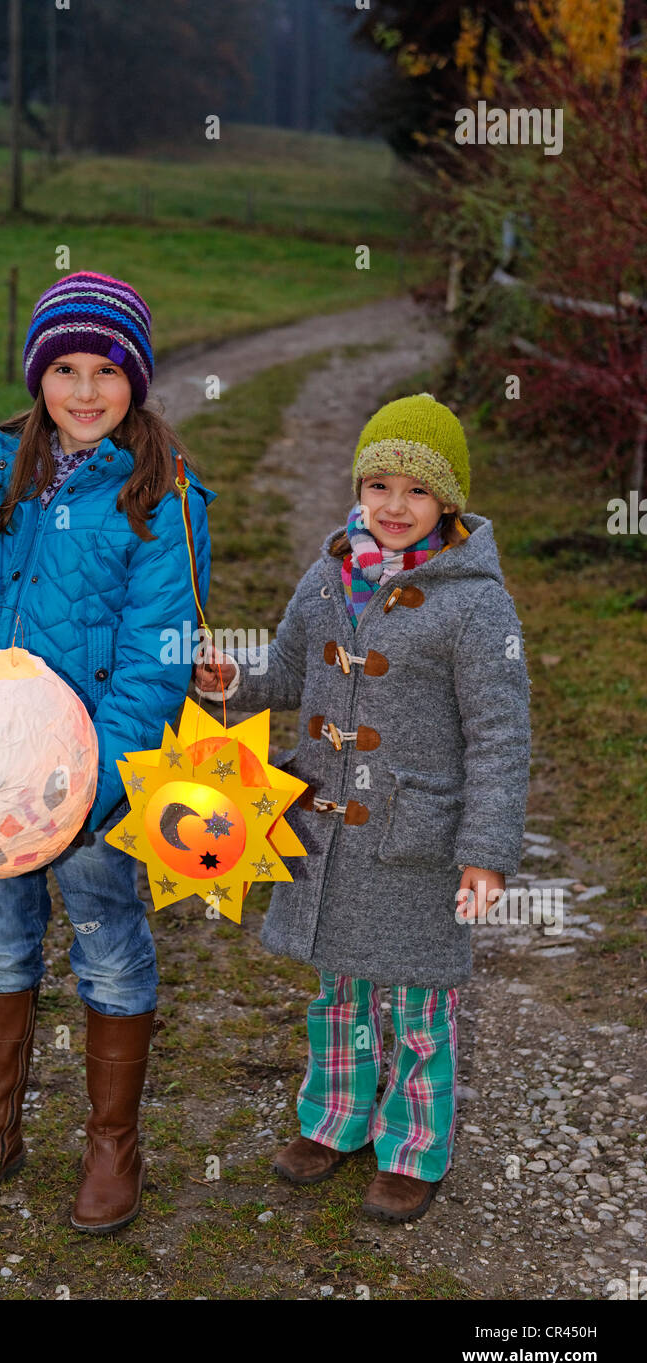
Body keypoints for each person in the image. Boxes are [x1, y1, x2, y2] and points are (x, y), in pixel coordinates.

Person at [0, 270, 215, 1233]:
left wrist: (98, 784)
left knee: (109, 948)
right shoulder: (1, 469)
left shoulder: (163, 495)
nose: (84, 391)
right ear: (36, 379)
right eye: (64, 369)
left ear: (137, 381)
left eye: (105, 371)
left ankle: (112, 1145)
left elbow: (159, 661)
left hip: (94, 785)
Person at [193, 393, 531, 1223]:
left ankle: (415, 1145)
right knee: (336, 992)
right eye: (377, 484)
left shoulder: (475, 605)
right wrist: (236, 681)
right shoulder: (325, 577)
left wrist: (483, 852)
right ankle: (336, 1119)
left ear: (445, 504)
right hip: (326, 831)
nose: (392, 506)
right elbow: (286, 674)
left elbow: (499, 736)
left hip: (415, 841)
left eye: (415, 492)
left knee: (420, 1000)